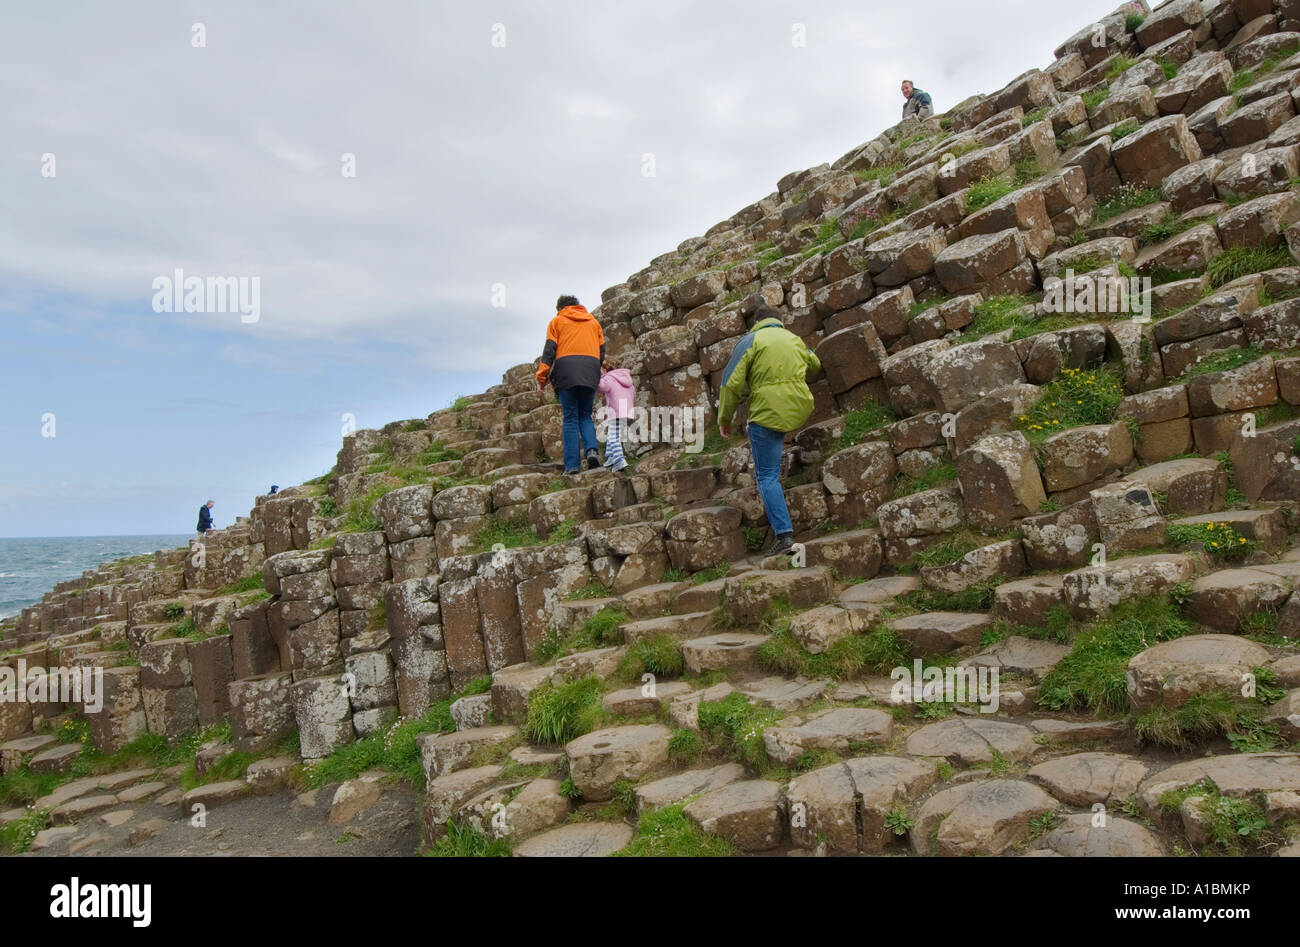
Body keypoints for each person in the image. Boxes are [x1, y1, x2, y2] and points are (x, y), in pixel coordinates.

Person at [716, 307, 821, 555]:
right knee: (775, 446)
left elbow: (731, 384)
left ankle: (784, 536)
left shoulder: (750, 340)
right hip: (797, 407)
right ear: (779, 322)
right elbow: (814, 363)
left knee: (766, 476)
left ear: (757, 321)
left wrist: (725, 419)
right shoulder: (794, 338)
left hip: (767, 413)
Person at [536, 294, 606, 474]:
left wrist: (541, 379)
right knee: (585, 415)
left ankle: (572, 466)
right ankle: (591, 451)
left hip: (566, 371)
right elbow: (601, 351)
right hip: (590, 370)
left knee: (570, 418)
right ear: (577, 305)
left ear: (560, 308)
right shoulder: (593, 322)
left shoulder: (556, 321)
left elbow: (549, 351)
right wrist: (594, 371)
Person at [597, 355, 635, 473]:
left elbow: (602, 387)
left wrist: (596, 377)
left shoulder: (609, 378)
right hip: (626, 409)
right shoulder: (626, 378)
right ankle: (611, 457)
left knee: (613, 437)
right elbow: (633, 393)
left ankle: (619, 460)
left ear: (605, 369)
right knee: (613, 433)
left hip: (616, 409)